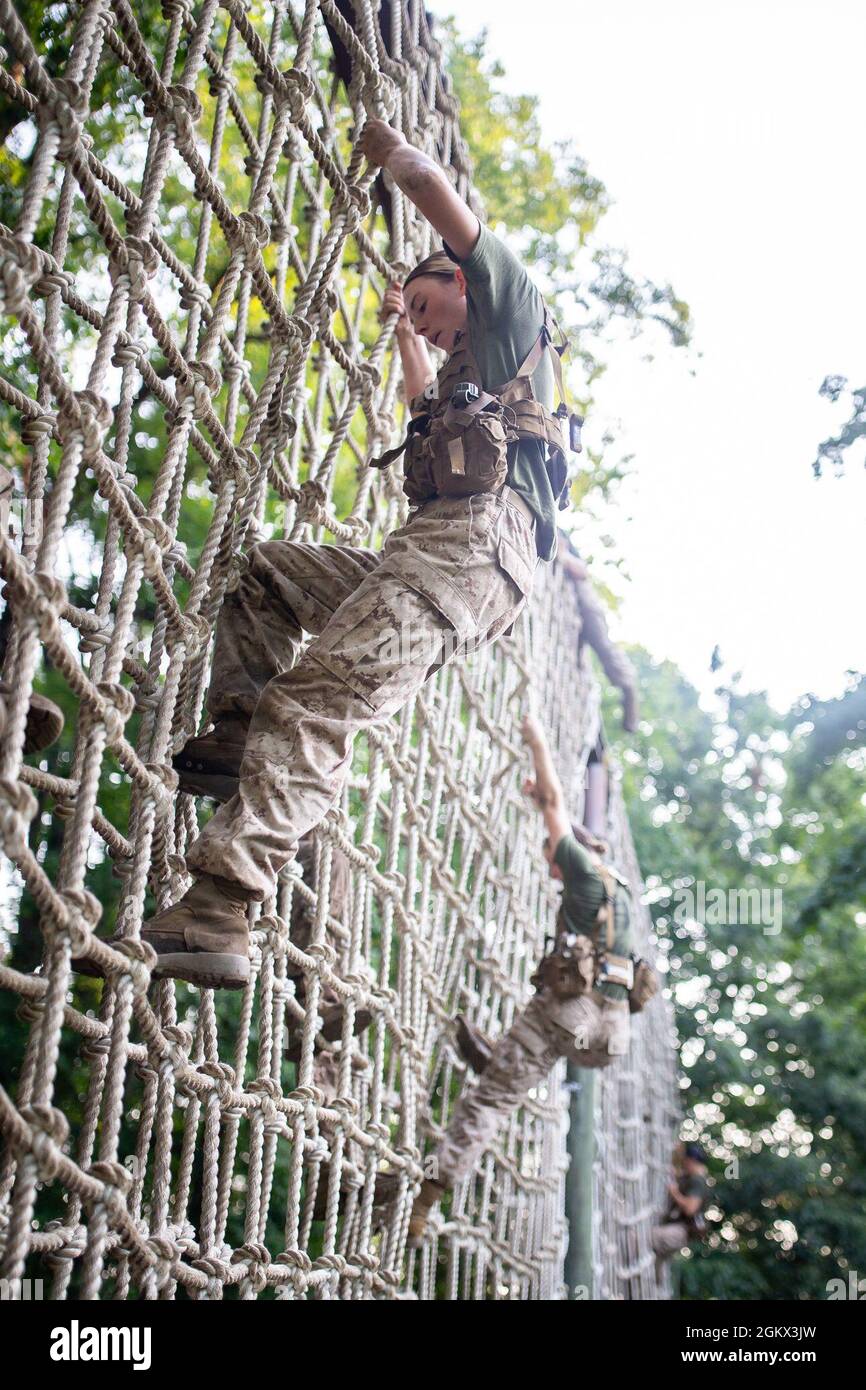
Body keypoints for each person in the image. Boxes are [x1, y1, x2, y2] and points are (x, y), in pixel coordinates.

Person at [74, 117, 577, 989]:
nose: (416, 315)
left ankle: (220, 907)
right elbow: (424, 407)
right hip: (428, 557)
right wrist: (405, 340)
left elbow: (429, 185)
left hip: (470, 558)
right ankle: (237, 732)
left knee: (316, 708)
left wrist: (390, 150)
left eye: (424, 298)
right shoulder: (468, 366)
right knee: (266, 571)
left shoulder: (511, 305)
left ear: (463, 281)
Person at [408, 711, 636, 1238]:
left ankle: (426, 1199)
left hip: (570, 1015)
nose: (550, 870)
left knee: (493, 1099)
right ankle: (505, 1058)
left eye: (551, 861)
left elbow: (557, 805)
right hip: (609, 1031)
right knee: (523, 1060)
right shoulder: (616, 887)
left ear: (567, 855)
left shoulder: (579, 871)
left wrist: (536, 738)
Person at [558, 531, 638, 732]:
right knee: (573, 660)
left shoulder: (567, 551)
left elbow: (582, 571)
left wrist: (563, 555)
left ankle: (628, 687)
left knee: (604, 648)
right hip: (568, 617)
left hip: (587, 610)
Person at [651, 1141, 709, 1275]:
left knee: (642, 1238)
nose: (683, 1162)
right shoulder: (689, 1177)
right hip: (678, 1230)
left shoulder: (697, 1180)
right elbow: (676, 1168)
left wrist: (674, 1193)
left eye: (686, 1160)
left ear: (691, 1160)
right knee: (655, 1266)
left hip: (680, 1231)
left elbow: (690, 1208)